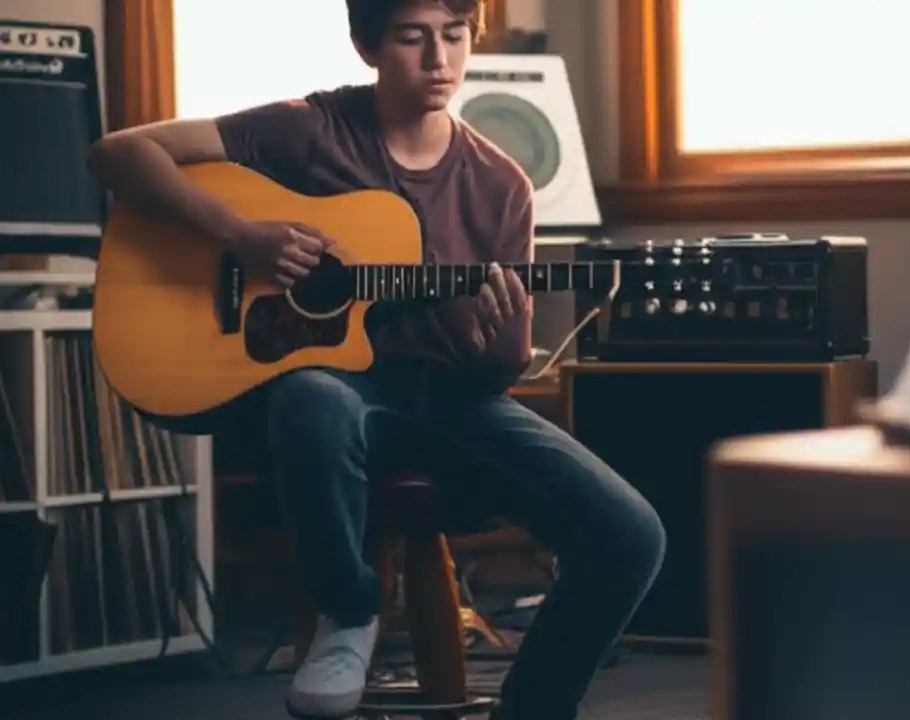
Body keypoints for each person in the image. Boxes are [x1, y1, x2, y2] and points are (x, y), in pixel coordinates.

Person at [86, 1, 667, 718]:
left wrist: (478, 324)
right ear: (366, 44)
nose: (438, 60)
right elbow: (118, 152)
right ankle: (350, 612)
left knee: (632, 534)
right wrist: (239, 235)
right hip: (337, 394)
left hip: (453, 402)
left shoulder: (502, 184)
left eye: (454, 37)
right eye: (412, 37)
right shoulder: (310, 129)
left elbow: (497, 373)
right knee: (311, 397)